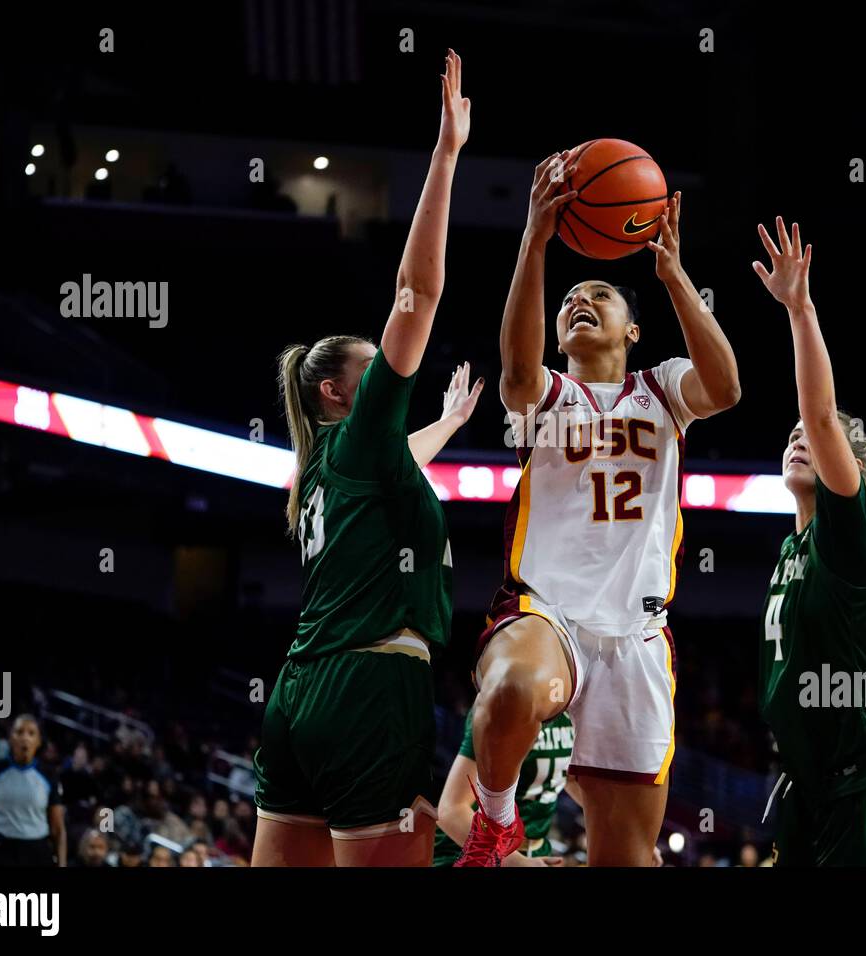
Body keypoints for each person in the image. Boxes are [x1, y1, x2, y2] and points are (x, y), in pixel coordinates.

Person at [459, 168, 741, 866]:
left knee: (626, 855)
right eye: (571, 299)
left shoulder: (663, 387)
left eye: (601, 294)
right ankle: (497, 823)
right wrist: (534, 241)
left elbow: (727, 388)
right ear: (558, 334)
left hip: (638, 636)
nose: (581, 300)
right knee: (513, 689)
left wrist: (674, 274)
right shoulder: (546, 394)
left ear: (633, 330)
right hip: (547, 612)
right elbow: (516, 371)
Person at [251, 50, 477, 867]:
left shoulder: (322, 464)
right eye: (373, 372)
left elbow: (401, 459)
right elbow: (416, 294)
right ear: (343, 395)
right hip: (369, 688)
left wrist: (449, 425)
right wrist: (446, 154)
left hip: (298, 691)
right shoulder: (357, 437)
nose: (390, 379)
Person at [751, 216, 866, 866]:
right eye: (789, 434)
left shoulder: (850, 539)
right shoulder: (790, 553)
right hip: (814, 784)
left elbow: (821, 413)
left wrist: (800, 309)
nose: (801, 436)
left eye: (817, 440)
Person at [433, 704, 576, 866]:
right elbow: (451, 810)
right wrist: (513, 861)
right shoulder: (503, 704)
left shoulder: (570, 705)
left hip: (536, 851)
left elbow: (567, 777)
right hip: (471, 852)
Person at [0, 714, 66, 866]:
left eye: (31, 733)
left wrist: (62, 863)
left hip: (36, 851)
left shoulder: (49, 775)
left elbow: (58, 829)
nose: (25, 738)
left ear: (38, 741)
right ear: (10, 738)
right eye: (19, 732)